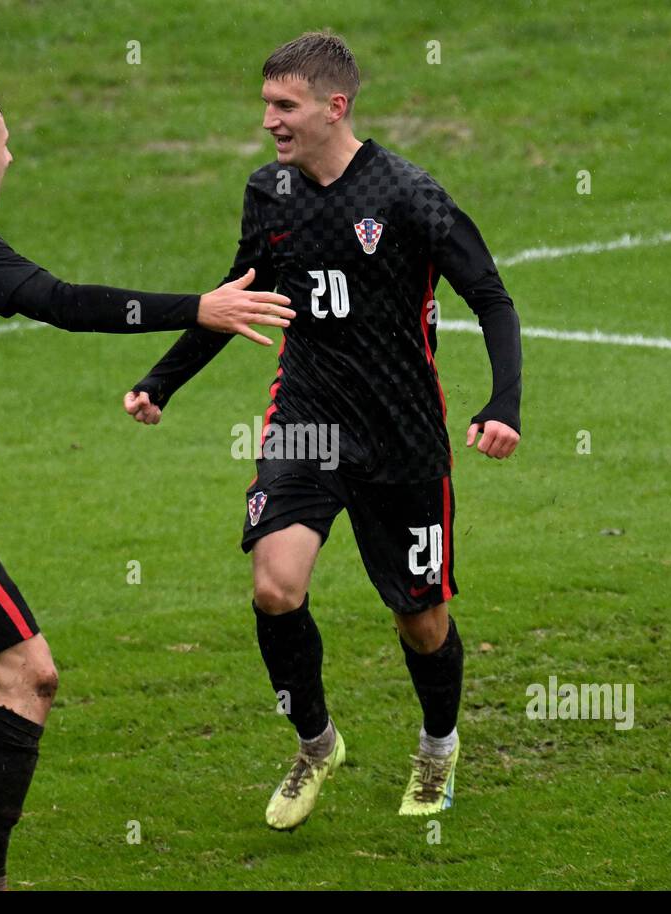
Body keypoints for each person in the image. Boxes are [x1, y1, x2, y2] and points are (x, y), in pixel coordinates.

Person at [0, 86, 293, 888]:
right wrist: (199, 308)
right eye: (3, 144)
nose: (8, 157)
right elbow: (64, 303)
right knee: (28, 679)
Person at [124, 33, 521, 829]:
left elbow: (492, 297)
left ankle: (438, 747)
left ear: (334, 107)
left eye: (285, 106)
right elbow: (238, 297)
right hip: (306, 421)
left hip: (404, 438)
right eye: (266, 104)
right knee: (275, 586)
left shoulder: (410, 194)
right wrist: (160, 381)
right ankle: (315, 743)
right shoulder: (269, 193)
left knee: (421, 617)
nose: (269, 120)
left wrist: (503, 403)